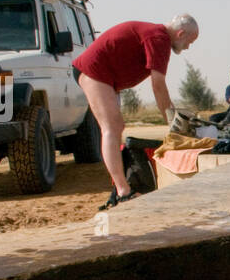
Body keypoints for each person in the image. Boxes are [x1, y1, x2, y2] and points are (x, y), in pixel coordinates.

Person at [73, 14, 199, 207]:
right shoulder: (159, 39)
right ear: (181, 33)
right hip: (94, 71)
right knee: (112, 128)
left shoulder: (157, 35)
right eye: (189, 42)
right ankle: (123, 192)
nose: (188, 47)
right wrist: (173, 122)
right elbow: (158, 86)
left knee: (116, 126)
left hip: (104, 75)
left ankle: (121, 187)